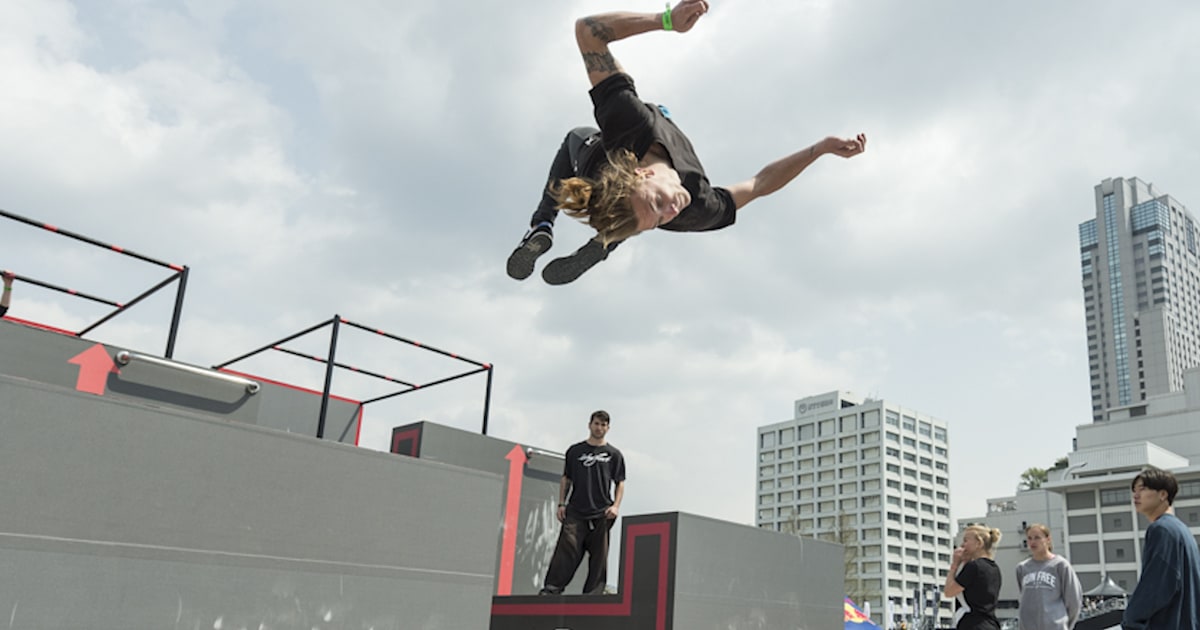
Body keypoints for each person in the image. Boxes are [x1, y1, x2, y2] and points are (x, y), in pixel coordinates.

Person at [506, 0, 867, 285]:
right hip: (622, 198)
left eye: (660, 203)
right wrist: (818, 150)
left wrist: (666, 20)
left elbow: (587, 31)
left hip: (596, 165)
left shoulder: (626, 118)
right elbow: (758, 185)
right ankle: (607, 239)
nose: (672, 210)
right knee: (639, 214)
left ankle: (543, 225)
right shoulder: (695, 206)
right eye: (662, 217)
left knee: (573, 136)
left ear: (644, 175)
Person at [539, 410, 626, 595]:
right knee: (566, 548)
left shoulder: (614, 454)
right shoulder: (575, 451)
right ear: (589, 425)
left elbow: (620, 482)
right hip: (576, 511)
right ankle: (551, 589)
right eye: (596, 423)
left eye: (603, 425)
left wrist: (616, 506)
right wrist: (561, 503)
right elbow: (566, 478)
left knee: (599, 556)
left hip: (602, 512)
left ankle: (593, 595)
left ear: (608, 428)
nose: (599, 427)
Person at [1121, 466, 1200, 629]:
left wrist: (1131, 620)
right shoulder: (1182, 530)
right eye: (1134, 490)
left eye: (1142, 489)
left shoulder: (1161, 530)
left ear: (1163, 494)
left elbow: (1156, 584)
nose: (1136, 495)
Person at [1015, 523, 1082, 630]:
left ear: (1048, 539)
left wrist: (1064, 625)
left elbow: (1074, 601)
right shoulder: (1022, 568)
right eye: (1029, 538)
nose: (1032, 542)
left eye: (1037, 538)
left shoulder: (1060, 565)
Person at [944, 524, 1002, 630]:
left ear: (978, 543)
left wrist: (955, 564)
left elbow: (949, 591)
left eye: (966, 541)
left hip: (972, 624)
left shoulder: (974, 567)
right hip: (990, 623)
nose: (962, 545)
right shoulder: (994, 568)